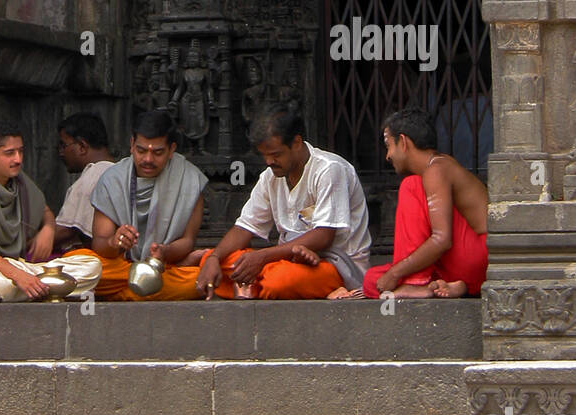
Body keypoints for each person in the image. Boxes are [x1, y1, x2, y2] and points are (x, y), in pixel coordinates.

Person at [197, 105, 370, 299]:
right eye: (264, 155)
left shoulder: (330, 169)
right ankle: (255, 286)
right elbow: (245, 227)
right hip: (288, 261)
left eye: (276, 154)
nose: (269, 161)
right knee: (210, 262)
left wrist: (263, 257)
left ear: (296, 143)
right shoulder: (269, 177)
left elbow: (324, 236)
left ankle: (255, 287)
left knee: (277, 282)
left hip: (335, 264)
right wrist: (214, 258)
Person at [0, 119, 101, 301]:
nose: (18, 159)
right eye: (9, 153)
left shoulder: (20, 182)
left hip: (19, 266)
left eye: (20, 151)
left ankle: (37, 287)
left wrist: (48, 229)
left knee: (92, 266)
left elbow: (46, 212)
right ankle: (47, 286)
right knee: (0, 284)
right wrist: (18, 277)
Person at [68, 108, 207, 300]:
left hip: (163, 268)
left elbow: (188, 241)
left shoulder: (191, 181)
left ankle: (128, 293)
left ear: (171, 149)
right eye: (141, 151)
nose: (148, 160)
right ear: (132, 145)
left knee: (197, 280)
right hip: (121, 266)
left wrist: (164, 252)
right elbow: (99, 243)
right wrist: (114, 242)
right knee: (78, 266)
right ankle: (140, 290)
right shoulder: (111, 180)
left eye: (158, 152)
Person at [359, 106, 488, 299]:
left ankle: (415, 282)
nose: (388, 156)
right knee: (372, 280)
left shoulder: (436, 169)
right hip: (469, 269)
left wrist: (396, 273)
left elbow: (441, 239)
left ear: (403, 142)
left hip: (477, 253)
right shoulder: (438, 167)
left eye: (388, 146)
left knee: (412, 185)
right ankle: (456, 286)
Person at [54, 113, 115, 250]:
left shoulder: (95, 173)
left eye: (63, 145)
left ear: (82, 146)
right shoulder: (119, 171)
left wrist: (26, 245)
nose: (61, 153)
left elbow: (66, 230)